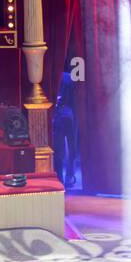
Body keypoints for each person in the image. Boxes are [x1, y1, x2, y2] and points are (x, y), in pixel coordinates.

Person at [53, 59, 80, 191]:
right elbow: (73, 99)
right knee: (71, 146)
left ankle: (60, 178)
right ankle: (70, 175)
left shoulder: (53, 77)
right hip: (68, 114)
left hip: (58, 116)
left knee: (58, 149)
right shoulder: (68, 78)